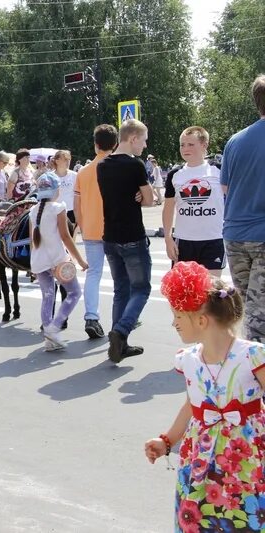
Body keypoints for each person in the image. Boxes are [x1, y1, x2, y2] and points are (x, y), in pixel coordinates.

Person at [145, 261, 265, 533]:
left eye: (178, 316)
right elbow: (193, 404)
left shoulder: (251, 356)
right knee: (199, 518)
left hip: (245, 457)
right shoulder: (188, 360)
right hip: (201, 457)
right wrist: (167, 440)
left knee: (247, 515)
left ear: (201, 320)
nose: (174, 323)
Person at [97, 119, 154, 363]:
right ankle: (121, 332)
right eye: (143, 139)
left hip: (110, 237)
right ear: (132, 138)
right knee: (141, 289)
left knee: (121, 289)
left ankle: (119, 346)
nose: (144, 144)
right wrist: (142, 194)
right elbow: (150, 200)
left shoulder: (103, 165)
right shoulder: (135, 165)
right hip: (132, 236)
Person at [221, 75, 265, 342]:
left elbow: (225, 188)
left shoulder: (235, 141)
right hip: (262, 237)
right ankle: (256, 374)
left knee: (251, 309)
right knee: (260, 314)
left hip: (235, 234)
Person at [30, 173, 87, 351]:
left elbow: (32, 240)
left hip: (39, 260)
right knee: (74, 293)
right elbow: (66, 237)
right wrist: (80, 260)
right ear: (56, 190)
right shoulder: (58, 207)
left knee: (47, 297)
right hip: (57, 259)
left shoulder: (33, 211)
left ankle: (49, 337)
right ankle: (54, 328)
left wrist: (33, 265)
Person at [74, 124, 118, 340]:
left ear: (95, 144)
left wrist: (83, 227)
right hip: (116, 229)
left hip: (91, 230)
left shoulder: (83, 172)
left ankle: (91, 317)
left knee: (93, 274)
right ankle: (125, 317)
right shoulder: (118, 167)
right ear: (116, 144)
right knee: (122, 275)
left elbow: (76, 205)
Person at [163, 126, 225, 277]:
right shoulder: (175, 174)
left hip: (213, 240)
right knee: (184, 294)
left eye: (191, 144)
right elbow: (168, 208)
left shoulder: (219, 170)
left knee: (210, 292)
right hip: (184, 242)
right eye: (182, 145)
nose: (185, 148)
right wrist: (168, 239)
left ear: (204, 145)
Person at [51, 150, 77, 225]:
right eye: (65, 159)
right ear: (57, 161)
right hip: (55, 212)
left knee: (71, 236)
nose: (68, 162)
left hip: (71, 211)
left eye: (69, 159)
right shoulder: (50, 177)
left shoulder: (75, 175)